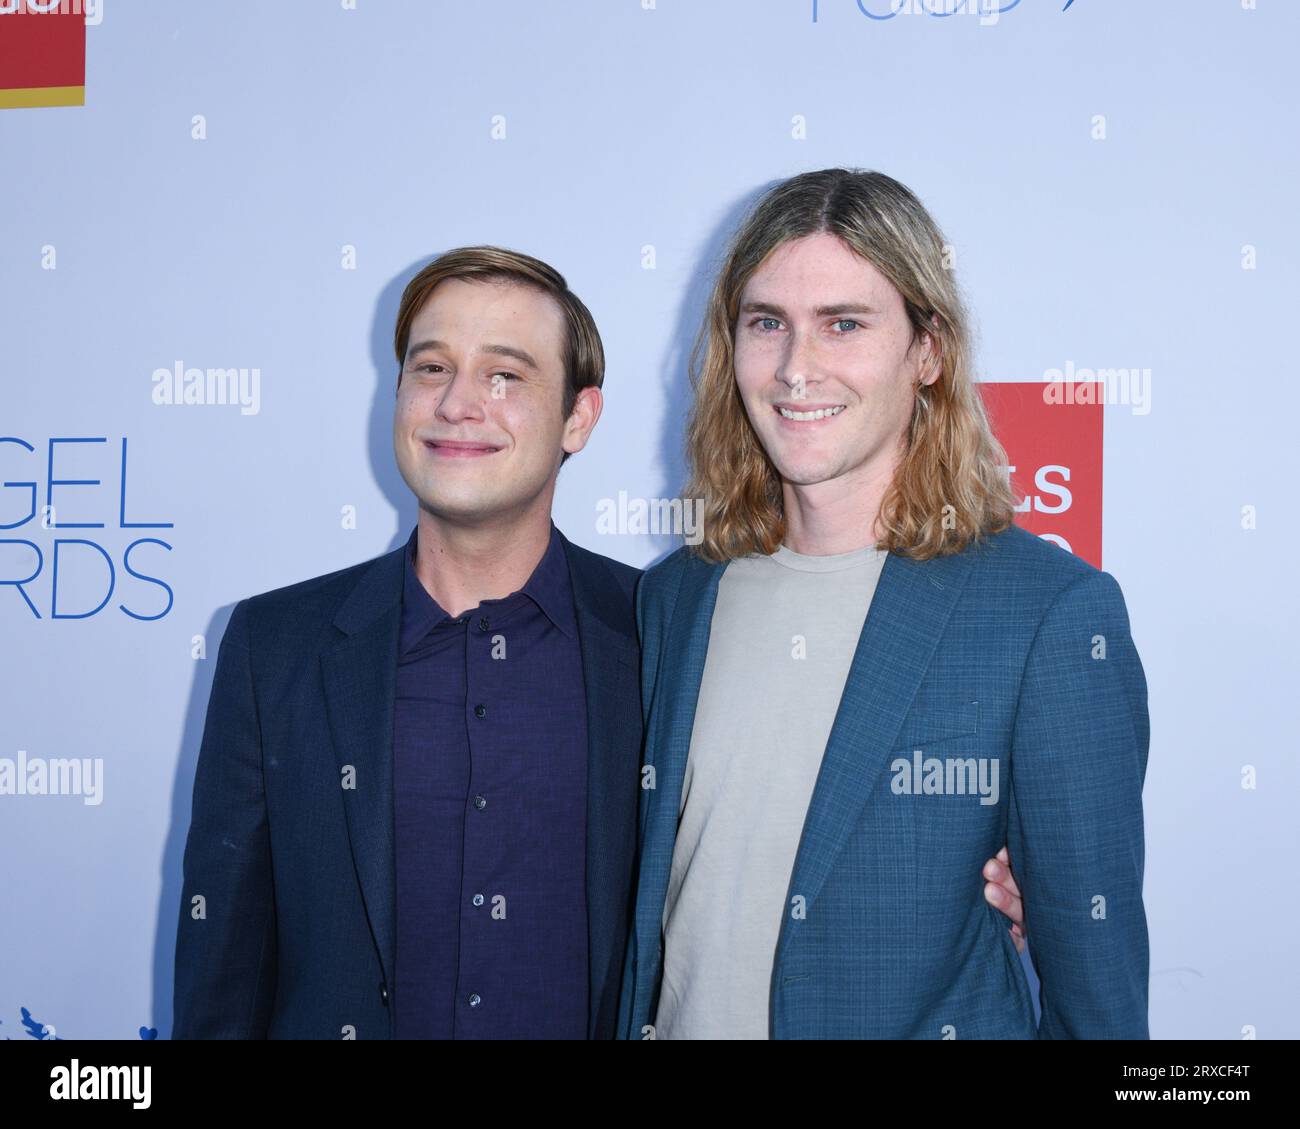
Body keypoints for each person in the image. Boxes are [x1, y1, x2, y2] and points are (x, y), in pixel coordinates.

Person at [172, 242, 1029, 1039]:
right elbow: (225, 973)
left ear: (579, 419)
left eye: (506, 374)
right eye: (430, 367)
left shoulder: (667, 628)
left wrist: (986, 874)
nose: (457, 402)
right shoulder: (273, 648)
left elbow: (769, 836)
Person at [617, 169, 1150, 1040]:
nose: (797, 368)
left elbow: (1104, 1014)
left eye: (844, 324)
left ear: (927, 350)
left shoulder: (1046, 614)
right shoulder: (676, 596)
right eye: (767, 324)